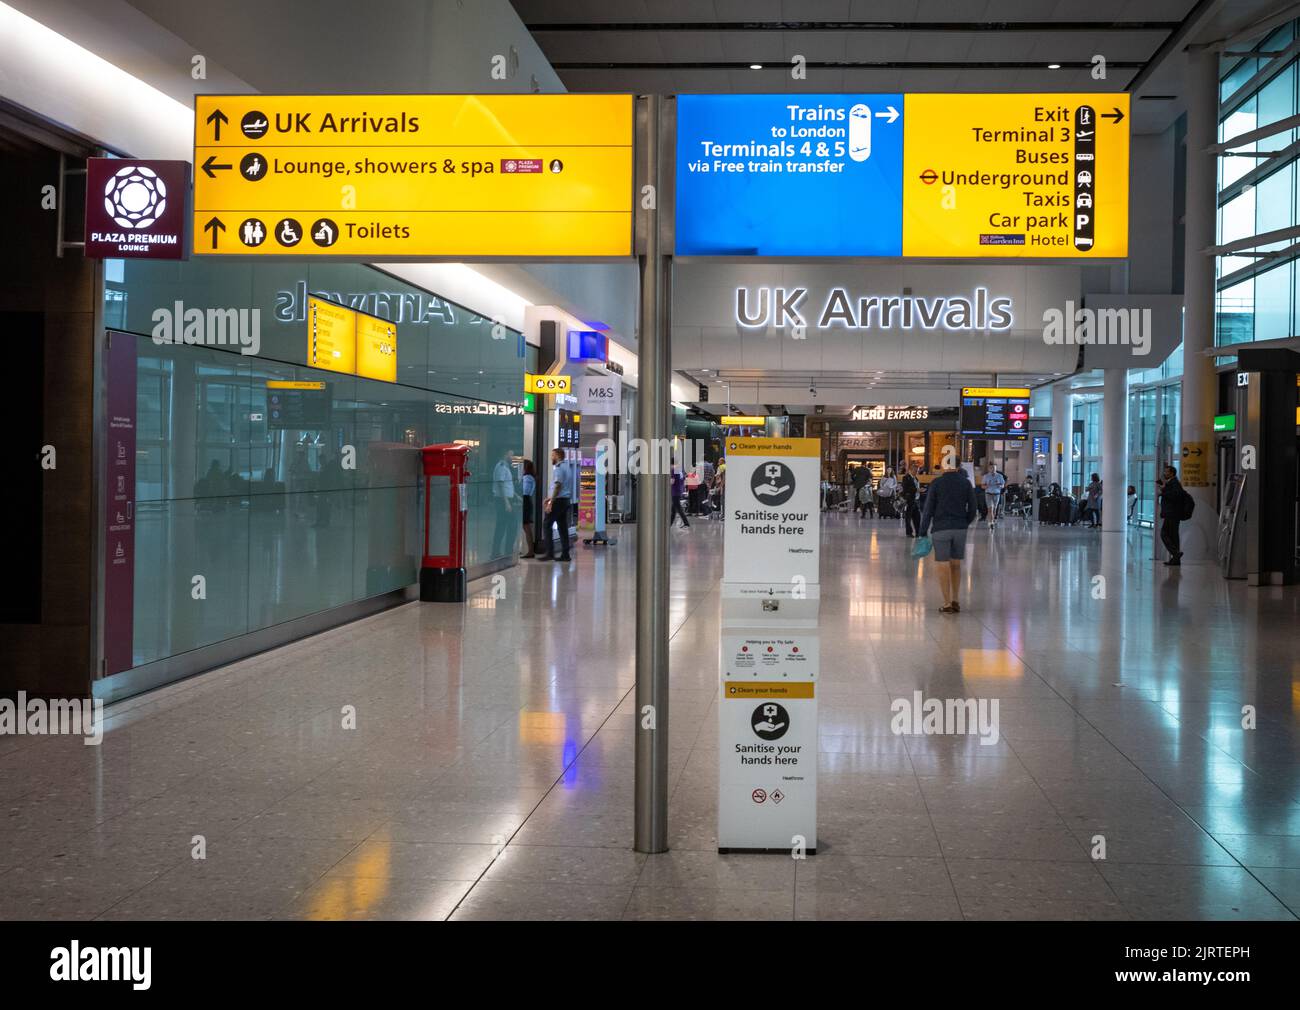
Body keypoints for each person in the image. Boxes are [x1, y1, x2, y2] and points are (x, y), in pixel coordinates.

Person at [918, 458, 978, 614]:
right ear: (959, 466)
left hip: (941, 528)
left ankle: (946, 603)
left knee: (943, 564)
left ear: (944, 465)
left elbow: (928, 509)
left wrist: (922, 531)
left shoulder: (937, 483)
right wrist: (965, 522)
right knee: (956, 564)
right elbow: (973, 508)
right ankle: (956, 599)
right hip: (959, 528)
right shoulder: (965, 483)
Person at [538, 447, 577, 562]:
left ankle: (549, 552)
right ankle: (565, 554)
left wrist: (551, 502)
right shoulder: (567, 467)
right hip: (565, 501)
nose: (551, 457)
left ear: (558, 456)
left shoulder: (559, 468)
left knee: (547, 524)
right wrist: (550, 498)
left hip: (559, 501)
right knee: (563, 527)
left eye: (552, 455)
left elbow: (558, 485)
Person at [1156, 464, 1188, 566]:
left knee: (1164, 534)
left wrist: (1163, 491)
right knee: (1173, 536)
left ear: (1172, 473)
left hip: (1172, 514)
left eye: (1166, 472)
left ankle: (1176, 553)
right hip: (1172, 513)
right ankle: (1176, 559)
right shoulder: (1171, 483)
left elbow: (1175, 496)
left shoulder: (1175, 483)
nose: (1164, 473)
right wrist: (1164, 488)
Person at [491, 448, 517, 558]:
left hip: (506, 499)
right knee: (508, 525)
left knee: (504, 525)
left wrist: (516, 496)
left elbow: (507, 485)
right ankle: (504, 550)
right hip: (502, 500)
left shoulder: (505, 466)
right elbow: (501, 485)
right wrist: (506, 502)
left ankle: (502, 550)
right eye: (511, 455)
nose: (512, 458)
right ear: (505, 454)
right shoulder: (501, 466)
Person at [520, 459, 537, 558]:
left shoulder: (527, 478)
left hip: (525, 501)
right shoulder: (531, 477)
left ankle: (530, 550)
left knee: (526, 527)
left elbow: (525, 492)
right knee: (527, 527)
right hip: (528, 501)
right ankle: (530, 550)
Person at [981, 463, 1006, 529]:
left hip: (996, 494)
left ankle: (993, 520)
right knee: (990, 509)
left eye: (994, 469)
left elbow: (1003, 485)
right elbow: (982, 486)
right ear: (989, 469)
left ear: (996, 469)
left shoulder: (1000, 476)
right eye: (992, 468)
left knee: (994, 509)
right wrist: (987, 485)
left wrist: (999, 485)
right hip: (988, 494)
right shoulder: (986, 476)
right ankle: (991, 522)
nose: (993, 470)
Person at [901, 462, 921, 537]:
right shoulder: (906, 477)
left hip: (916, 499)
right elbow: (906, 488)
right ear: (911, 470)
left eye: (917, 471)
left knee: (917, 517)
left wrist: (919, 490)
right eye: (916, 471)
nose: (917, 472)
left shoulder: (915, 478)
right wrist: (917, 489)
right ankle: (909, 532)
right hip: (909, 500)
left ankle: (918, 532)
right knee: (908, 517)